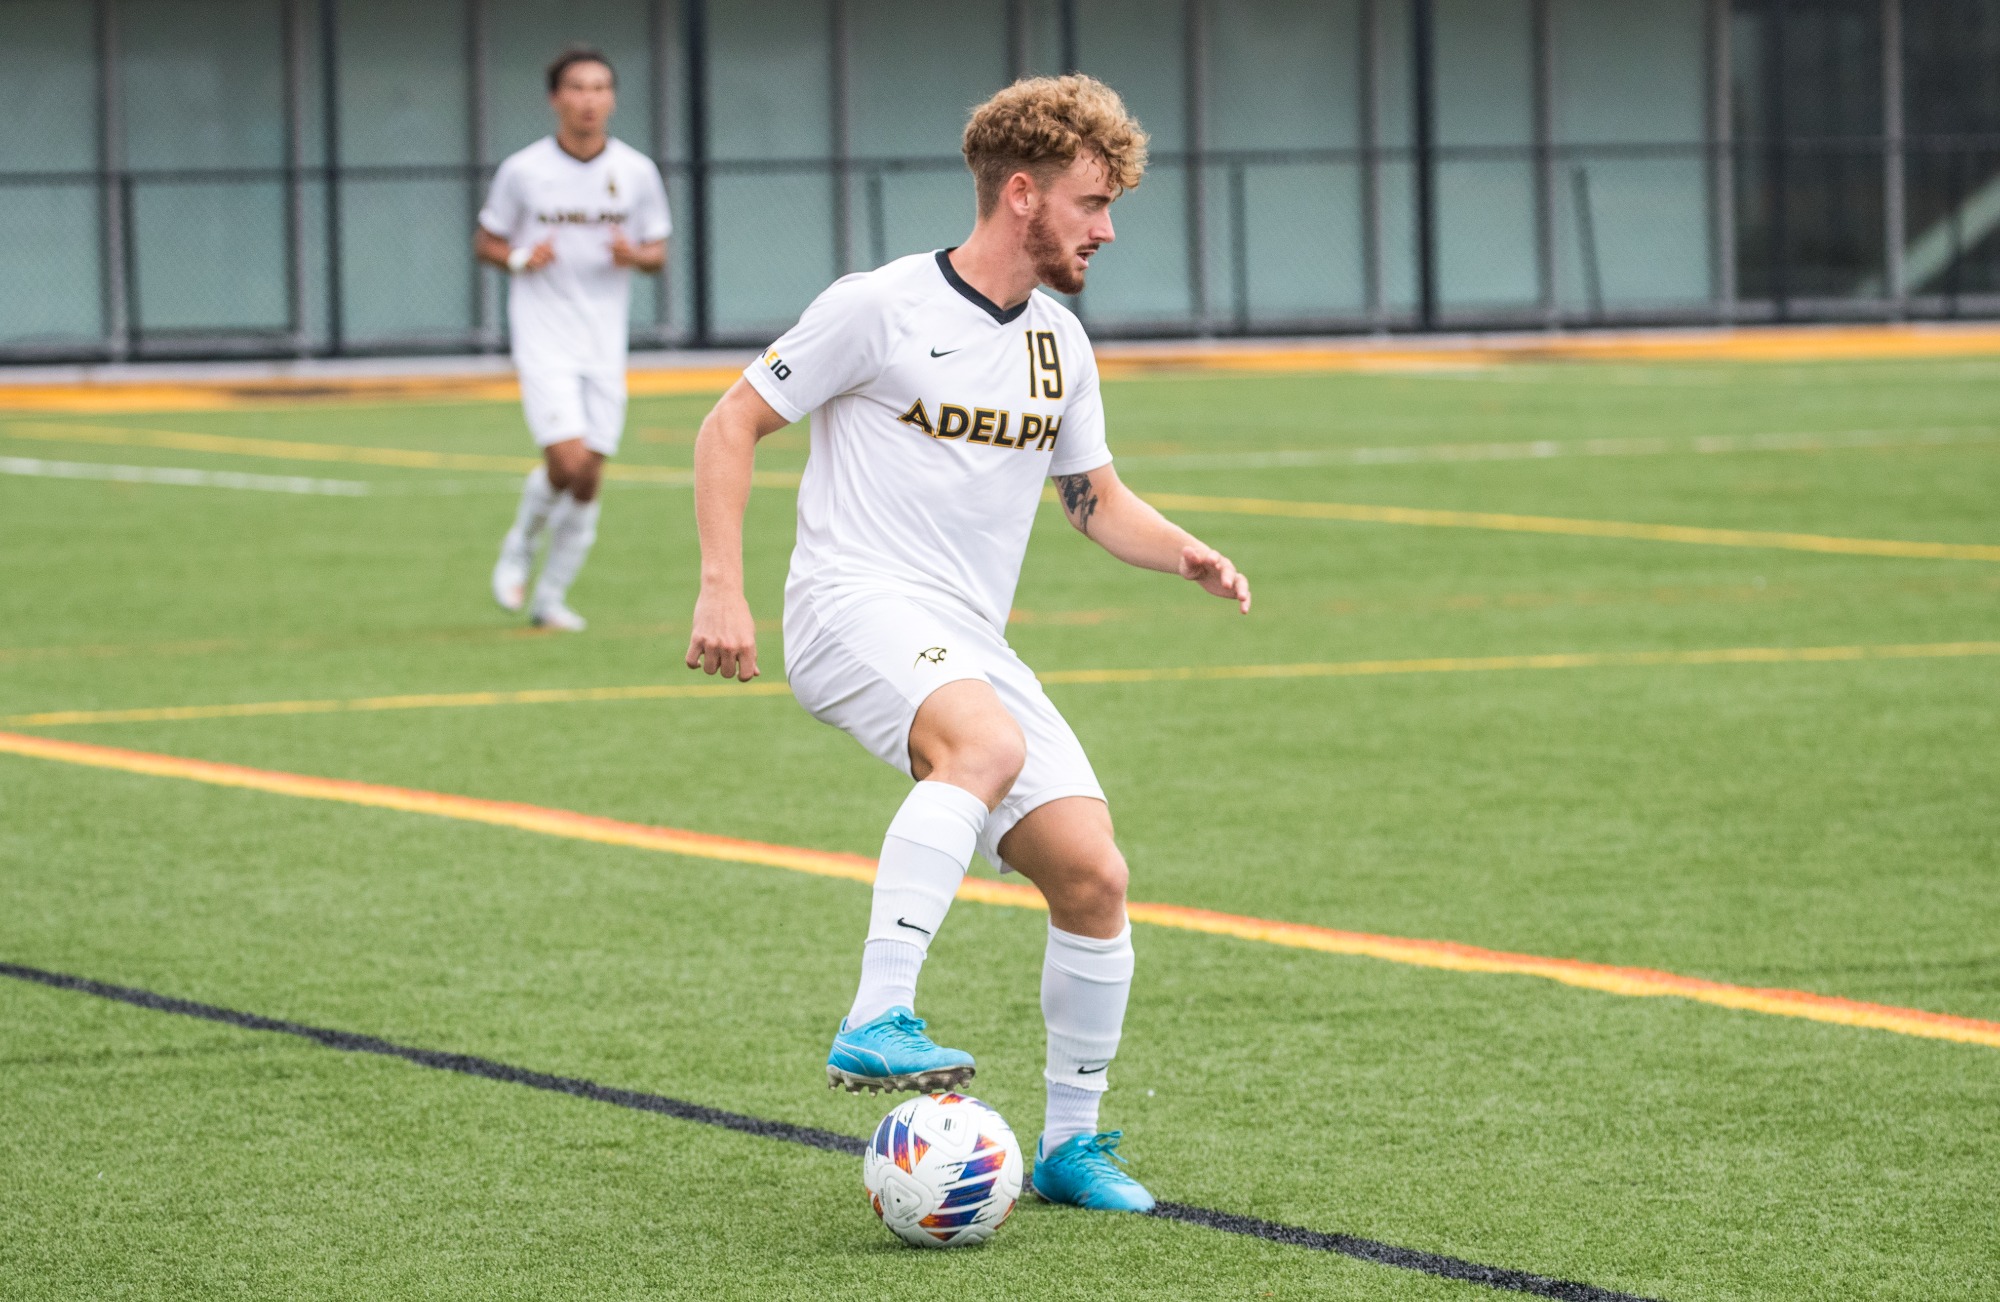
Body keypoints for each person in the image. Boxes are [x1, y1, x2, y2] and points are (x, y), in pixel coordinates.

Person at [684, 75, 1250, 1213]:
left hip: (965, 638)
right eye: (1093, 203)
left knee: (1092, 875)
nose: (1106, 228)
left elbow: (1090, 496)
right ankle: (874, 1016)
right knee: (980, 746)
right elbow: (731, 418)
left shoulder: (1058, 344)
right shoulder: (878, 306)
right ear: (1023, 196)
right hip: (852, 604)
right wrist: (720, 589)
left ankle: (1071, 1146)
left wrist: (1178, 548)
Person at [476, 47, 670, 631]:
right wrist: (516, 257)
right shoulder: (524, 170)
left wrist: (632, 255)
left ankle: (551, 598)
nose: (589, 100)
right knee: (566, 457)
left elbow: (657, 254)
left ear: (612, 98)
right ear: (555, 98)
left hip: (603, 342)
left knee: (588, 473)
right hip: (542, 335)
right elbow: (485, 240)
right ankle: (520, 545)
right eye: (577, 88)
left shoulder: (636, 172)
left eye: (600, 88)